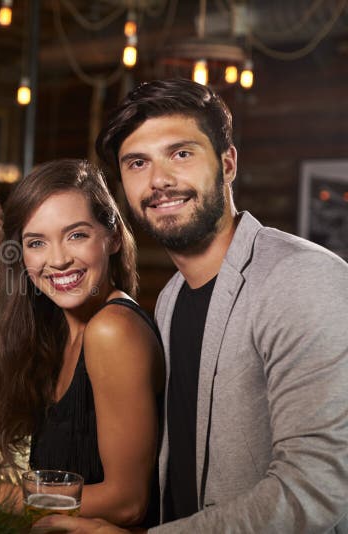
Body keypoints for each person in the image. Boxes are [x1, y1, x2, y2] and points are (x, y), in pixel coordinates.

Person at [37, 78, 348, 533]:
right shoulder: (170, 300)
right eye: (138, 163)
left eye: (181, 154)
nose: (159, 180)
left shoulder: (302, 279)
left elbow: (316, 491)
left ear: (227, 164)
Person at [0, 159, 164, 527]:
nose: (58, 260)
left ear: (109, 237)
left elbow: (127, 502)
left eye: (76, 235)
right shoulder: (57, 329)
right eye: (37, 243)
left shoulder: (113, 330)